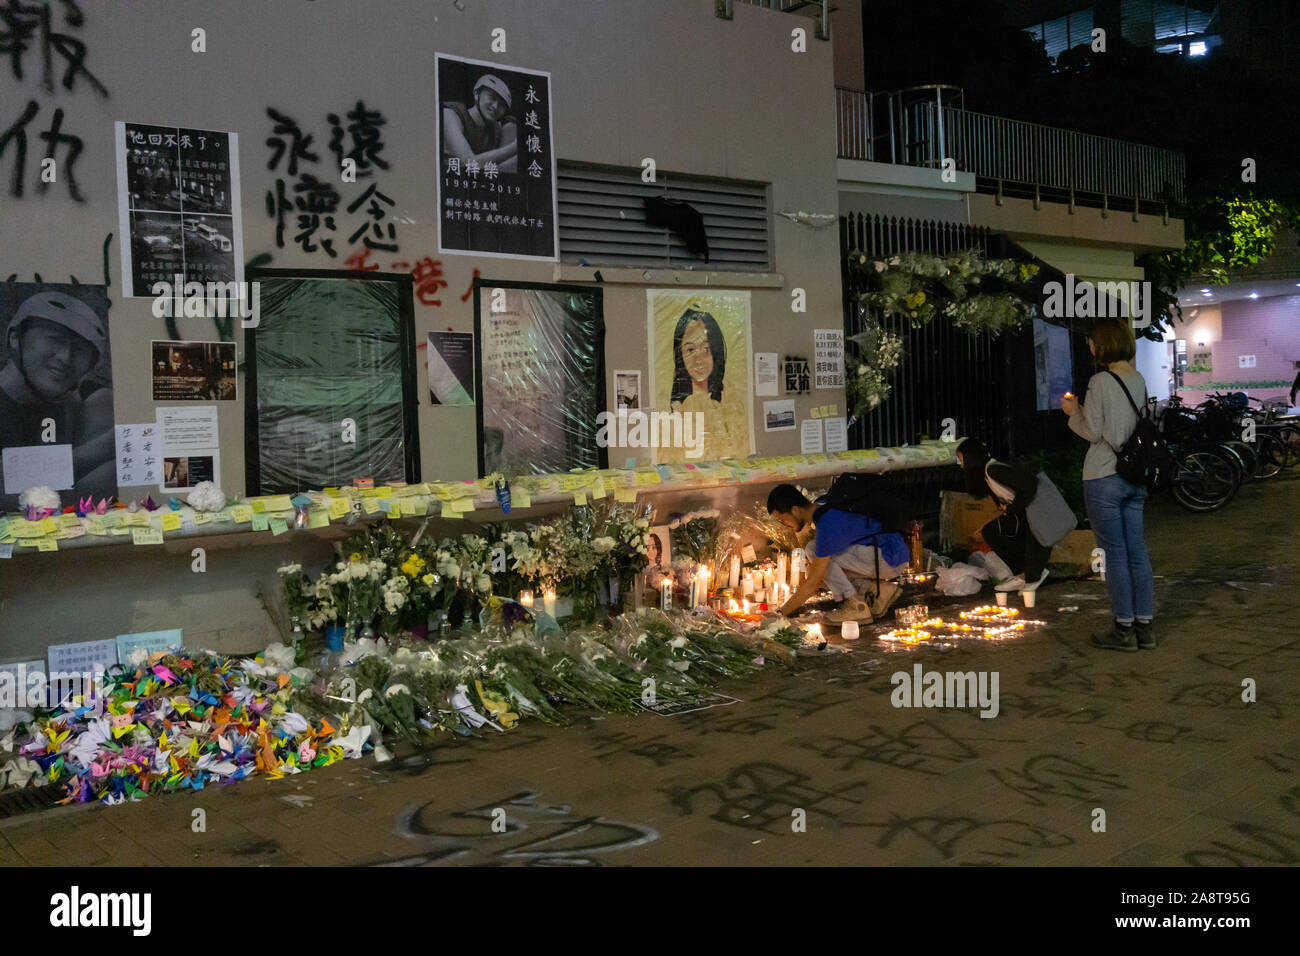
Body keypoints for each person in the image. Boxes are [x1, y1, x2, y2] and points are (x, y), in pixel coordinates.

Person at [1061, 315, 1155, 652]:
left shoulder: (1101, 381)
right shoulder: (1139, 379)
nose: (1089, 345)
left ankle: (1123, 629)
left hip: (1104, 476)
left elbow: (1094, 432)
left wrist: (1073, 410)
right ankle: (1145, 627)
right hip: (1135, 477)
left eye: (1092, 340)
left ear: (1103, 344)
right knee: (1136, 551)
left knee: (1113, 554)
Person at [0, 290, 115, 508]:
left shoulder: (83, 400)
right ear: (16, 338)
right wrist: (110, 445)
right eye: (55, 340)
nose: (65, 357)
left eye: (80, 350)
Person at [766, 483, 908, 624]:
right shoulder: (823, 504)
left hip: (888, 558)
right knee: (815, 562)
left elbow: (813, 583)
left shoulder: (827, 521)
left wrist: (780, 614)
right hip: (887, 553)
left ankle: (854, 606)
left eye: (783, 519)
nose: (784, 524)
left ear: (795, 510)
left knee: (816, 558)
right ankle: (875, 590)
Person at [955, 438, 1050, 592]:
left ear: (970, 459)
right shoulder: (988, 475)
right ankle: (1028, 572)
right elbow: (1001, 509)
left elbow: (1030, 485)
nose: (961, 466)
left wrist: (1012, 508)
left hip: (1035, 514)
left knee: (992, 531)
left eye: (961, 461)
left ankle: (1028, 573)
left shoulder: (994, 470)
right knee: (991, 530)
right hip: (1023, 514)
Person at [669, 307, 747, 459]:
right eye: (690, 350)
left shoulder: (732, 403)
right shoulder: (677, 411)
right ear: (680, 355)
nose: (698, 361)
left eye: (706, 349)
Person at [441, 73, 518, 173]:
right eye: (492, 97)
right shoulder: (451, 115)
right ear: (477, 94)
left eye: (501, 104)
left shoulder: (495, 129)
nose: (495, 106)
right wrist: (514, 147)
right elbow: (468, 162)